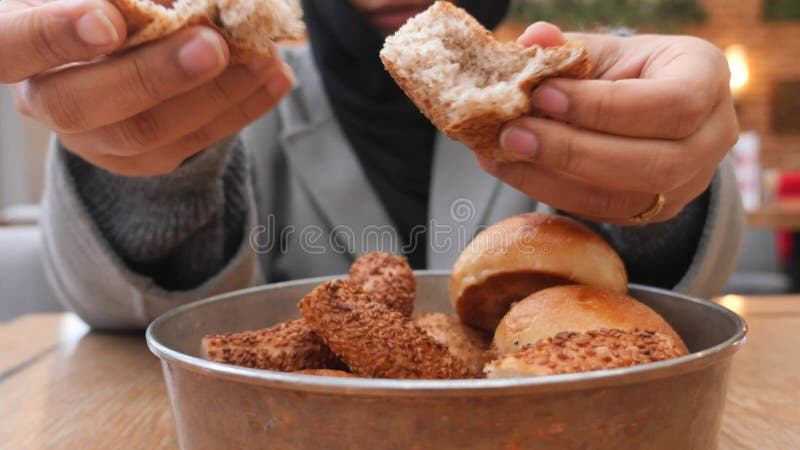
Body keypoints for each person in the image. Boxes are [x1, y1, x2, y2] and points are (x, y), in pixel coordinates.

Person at [1, 0, 742, 329]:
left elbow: (668, 310)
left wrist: (654, 191)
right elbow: (126, 315)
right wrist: (151, 153)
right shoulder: (240, 80)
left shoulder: (578, 82)